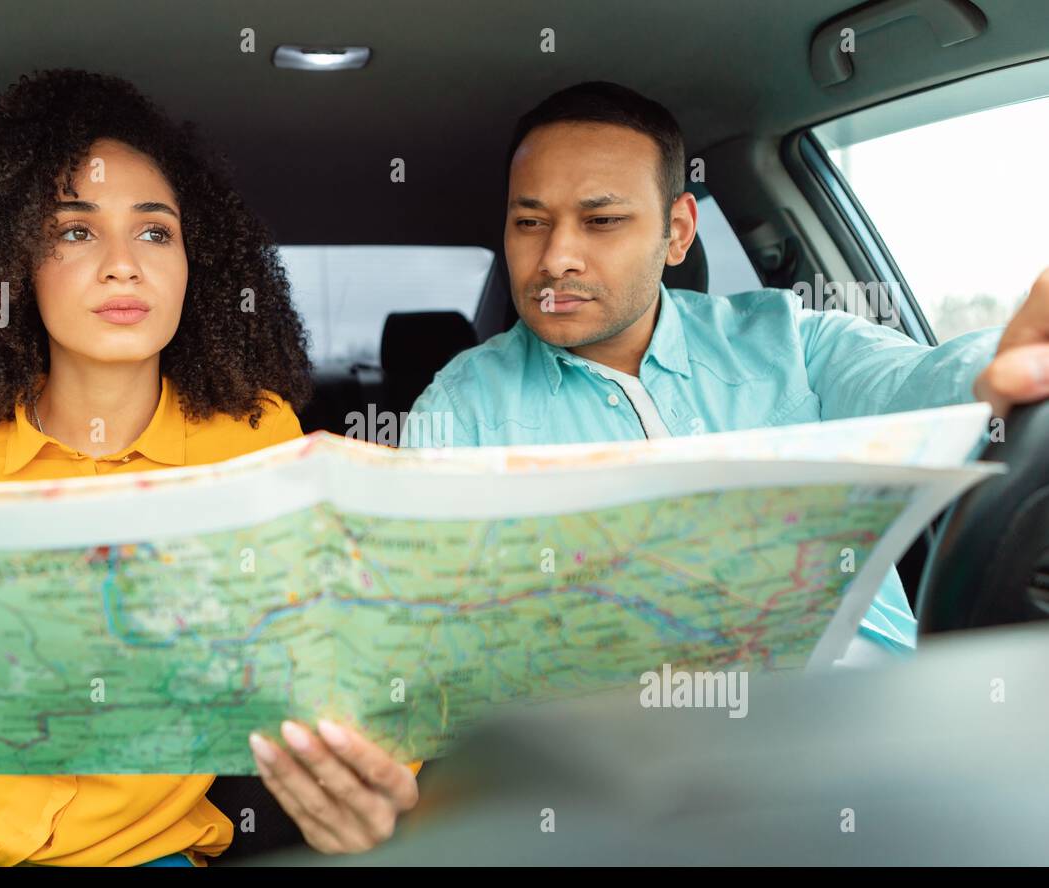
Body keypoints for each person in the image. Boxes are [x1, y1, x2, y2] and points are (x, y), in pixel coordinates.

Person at [0, 69, 418, 866]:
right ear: (10, 264)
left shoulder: (259, 446)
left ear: (192, 264)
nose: (122, 264)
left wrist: (383, 769)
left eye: (154, 231)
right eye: (74, 232)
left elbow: (338, 665)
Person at [402, 80, 1049, 658]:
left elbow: (917, 385)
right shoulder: (462, 411)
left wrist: (1009, 367)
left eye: (600, 221)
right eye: (529, 222)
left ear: (678, 231)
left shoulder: (786, 340)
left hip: (870, 719)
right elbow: (425, 626)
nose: (556, 257)